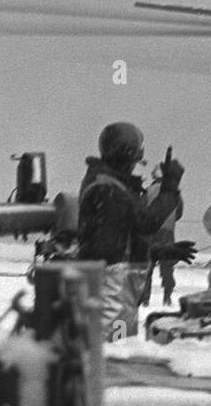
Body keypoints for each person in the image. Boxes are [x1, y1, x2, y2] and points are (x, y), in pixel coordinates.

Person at [78, 122, 194, 337]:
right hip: (112, 292)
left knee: (117, 345)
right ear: (128, 155)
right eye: (135, 159)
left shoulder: (106, 184)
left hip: (113, 290)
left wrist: (161, 252)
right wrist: (170, 186)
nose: (135, 165)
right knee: (115, 351)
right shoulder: (109, 189)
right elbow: (145, 224)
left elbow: (117, 242)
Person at [144, 164, 185, 306]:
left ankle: (145, 298)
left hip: (149, 232)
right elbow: (179, 213)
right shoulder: (175, 193)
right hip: (167, 232)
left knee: (147, 267)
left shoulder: (148, 191)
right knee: (167, 266)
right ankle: (167, 296)